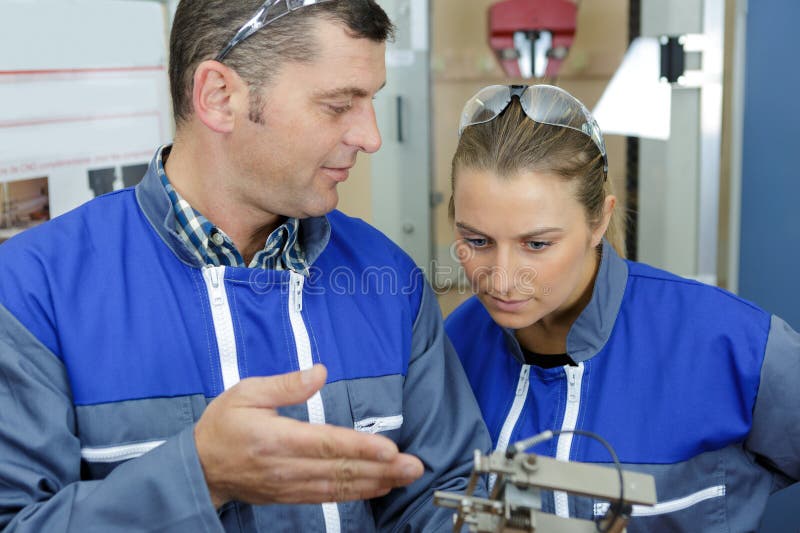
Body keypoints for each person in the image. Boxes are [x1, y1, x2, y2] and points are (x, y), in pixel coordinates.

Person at [0, 1, 490, 531]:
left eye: (370, 101)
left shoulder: (389, 279)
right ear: (219, 97)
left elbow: (450, 497)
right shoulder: (32, 292)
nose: (369, 137)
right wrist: (201, 477)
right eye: (337, 105)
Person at [444, 84, 800, 532]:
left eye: (537, 244)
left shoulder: (730, 343)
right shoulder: (451, 350)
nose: (501, 278)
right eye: (477, 241)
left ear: (600, 220)